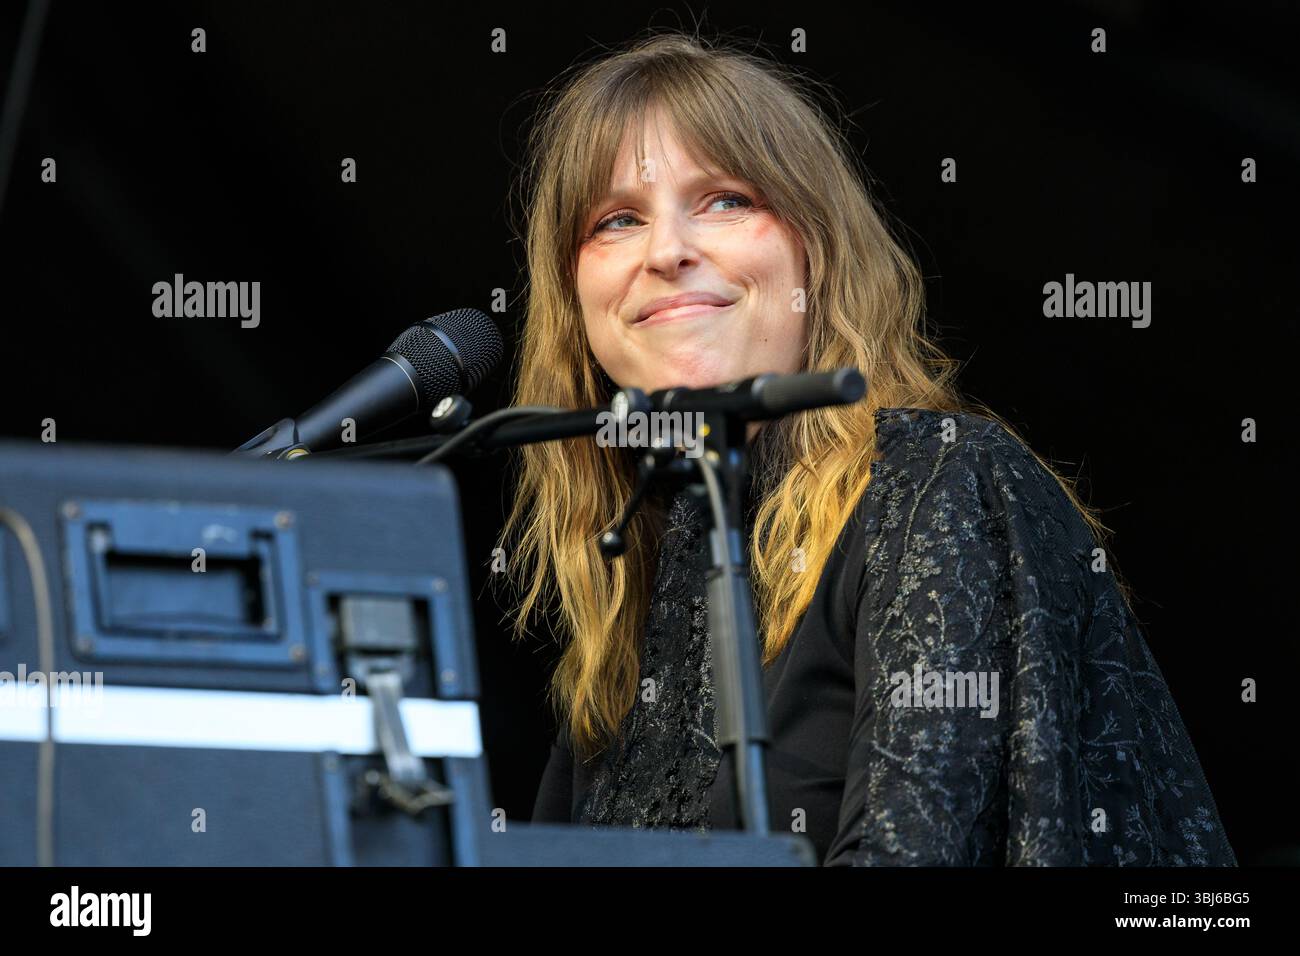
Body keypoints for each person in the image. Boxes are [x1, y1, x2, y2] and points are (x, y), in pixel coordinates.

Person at [497, 31, 1236, 866]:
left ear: (817, 245)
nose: (667, 251)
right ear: (576, 295)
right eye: (617, 219)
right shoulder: (635, 589)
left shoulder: (938, 482)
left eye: (726, 200)